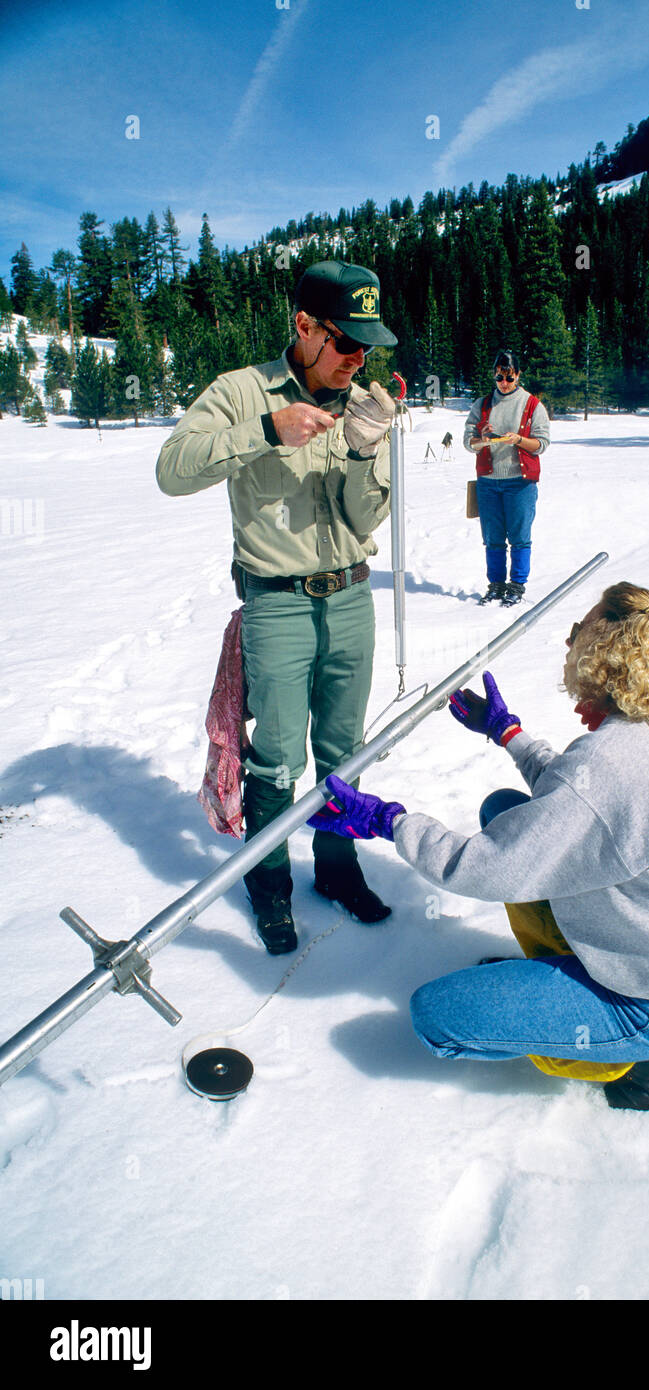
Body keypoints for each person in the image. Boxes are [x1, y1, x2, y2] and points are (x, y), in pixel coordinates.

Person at [307, 581, 649, 1111]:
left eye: (576, 632)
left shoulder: (608, 762)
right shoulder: (644, 736)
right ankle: (561, 986)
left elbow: (483, 869)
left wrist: (389, 820)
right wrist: (508, 733)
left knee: (436, 1017)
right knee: (506, 810)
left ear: (603, 657)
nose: (568, 642)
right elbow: (576, 799)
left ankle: (629, 1058)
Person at [157, 260, 398, 955]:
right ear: (304, 327)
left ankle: (337, 869)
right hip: (277, 603)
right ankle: (268, 887)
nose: (357, 359)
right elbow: (172, 470)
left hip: (352, 595)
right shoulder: (241, 392)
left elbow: (360, 518)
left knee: (343, 752)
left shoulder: (359, 402)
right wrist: (266, 428)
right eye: (346, 342)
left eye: (366, 347)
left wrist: (362, 452)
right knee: (275, 757)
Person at [463, 350, 550, 607]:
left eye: (509, 377)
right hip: (489, 482)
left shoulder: (532, 405)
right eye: (500, 377)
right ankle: (496, 585)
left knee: (520, 536)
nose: (504, 382)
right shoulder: (482, 404)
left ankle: (517, 585)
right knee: (493, 537)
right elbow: (469, 441)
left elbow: (542, 443)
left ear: (518, 375)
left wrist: (519, 440)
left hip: (519, 482)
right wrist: (482, 438)